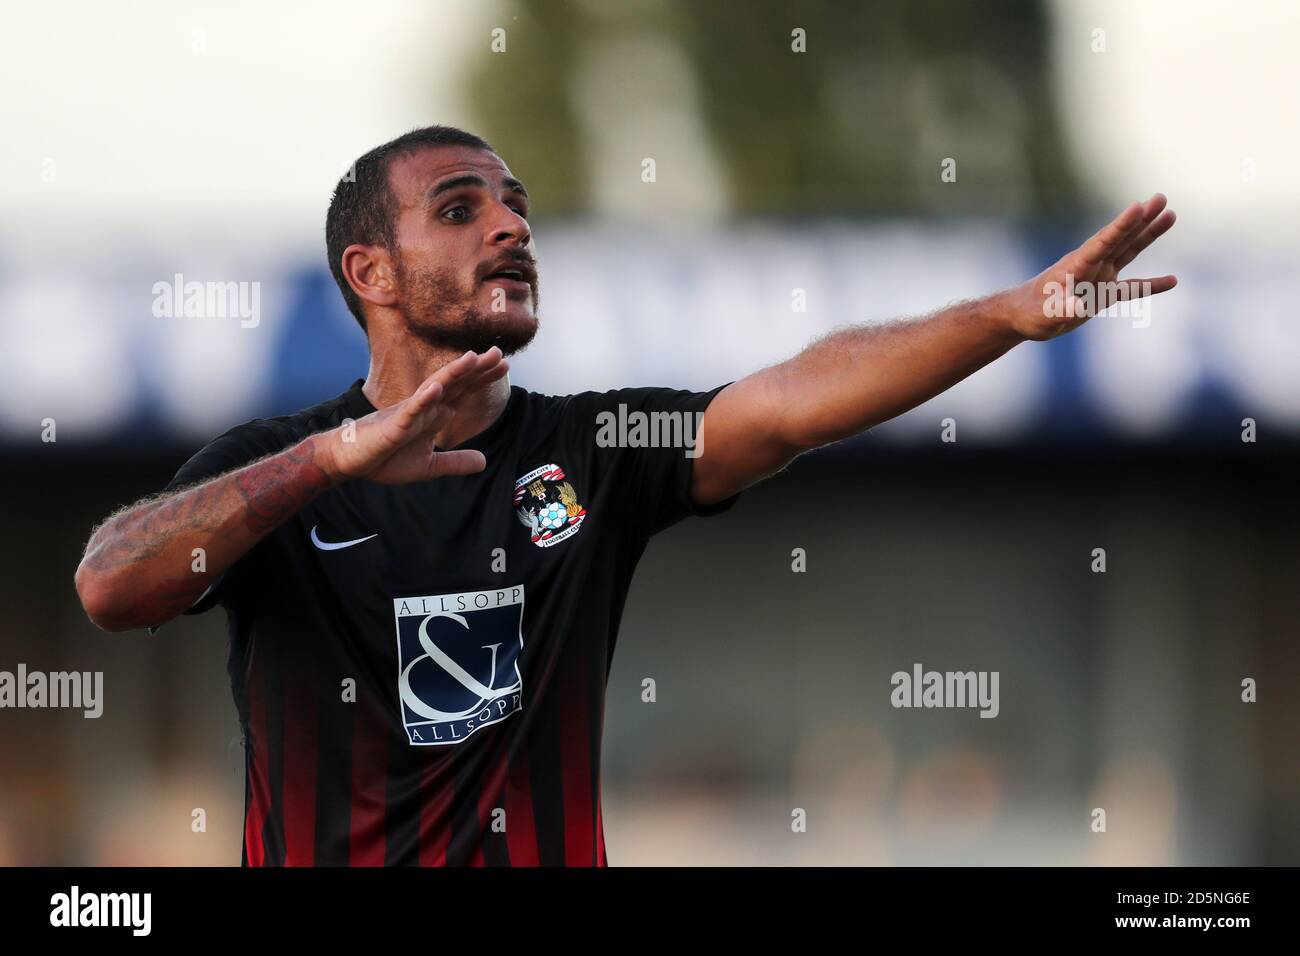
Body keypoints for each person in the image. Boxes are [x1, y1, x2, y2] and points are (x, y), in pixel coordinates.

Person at [74, 125, 1177, 866]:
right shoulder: (277, 459)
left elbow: (794, 399)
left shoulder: (594, 448)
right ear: (371, 273)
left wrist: (1008, 315)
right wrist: (329, 463)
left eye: (516, 207)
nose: (510, 227)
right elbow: (113, 584)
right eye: (460, 210)